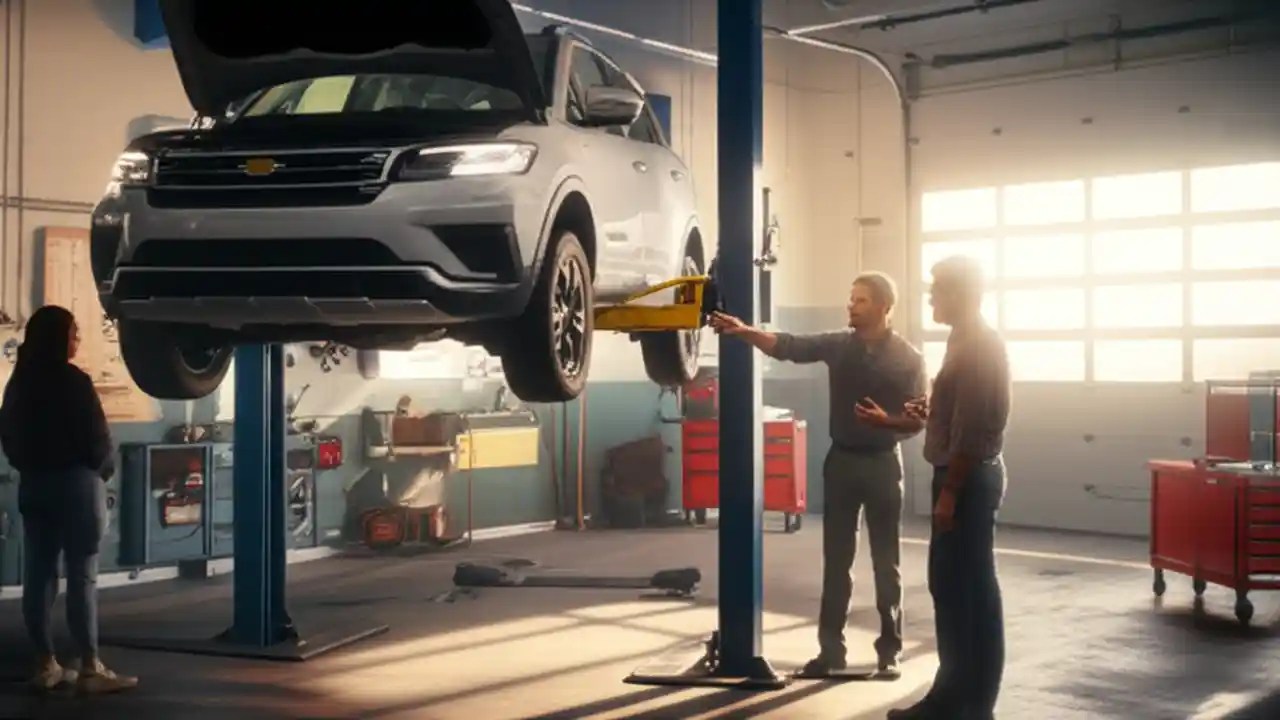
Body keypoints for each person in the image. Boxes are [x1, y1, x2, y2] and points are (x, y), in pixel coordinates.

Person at [710, 272, 928, 678]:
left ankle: (889, 651)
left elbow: (918, 419)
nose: (851, 306)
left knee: (887, 563)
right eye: (851, 298)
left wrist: (887, 422)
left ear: (883, 307)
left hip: (883, 463)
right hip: (842, 462)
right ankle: (831, 653)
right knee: (836, 562)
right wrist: (743, 332)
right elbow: (788, 346)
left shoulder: (909, 359)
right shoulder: (838, 345)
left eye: (860, 300)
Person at [889, 255, 1011, 720]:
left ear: (962, 293)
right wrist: (932, 407)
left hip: (968, 479)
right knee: (951, 588)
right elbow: (959, 410)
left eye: (937, 288)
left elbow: (975, 429)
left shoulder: (980, 346)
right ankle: (948, 698)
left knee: (972, 592)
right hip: (963, 475)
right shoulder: (962, 341)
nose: (931, 296)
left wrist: (949, 494)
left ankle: (974, 707)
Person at [0, 305, 138, 694]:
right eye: (74, 333)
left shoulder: (20, 382)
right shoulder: (75, 382)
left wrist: (28, 465)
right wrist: (101, 471)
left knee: (39, 575)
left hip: (35, 484)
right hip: (79, 484)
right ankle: (90, 666)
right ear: (60, 338)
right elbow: (98, 438)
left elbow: (8, 433)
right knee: (82, 575)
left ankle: (45, 663)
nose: (77, 339)